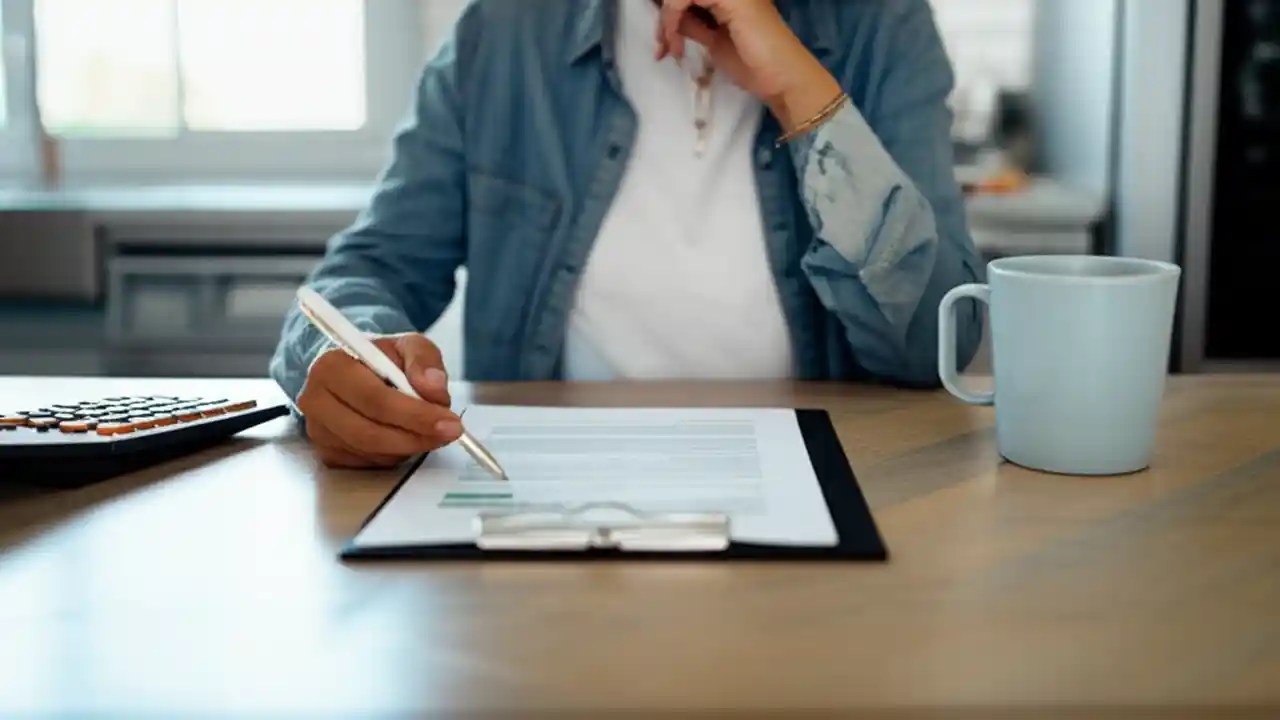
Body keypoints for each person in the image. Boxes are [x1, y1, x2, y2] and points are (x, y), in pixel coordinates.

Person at [270, 0, 985, 469]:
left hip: (811, 491)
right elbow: (368, 271)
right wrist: (335, 358)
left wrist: (799, 91)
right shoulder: (502, 34)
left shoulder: (884, 27)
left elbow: (935, 348)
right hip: (547, 499)